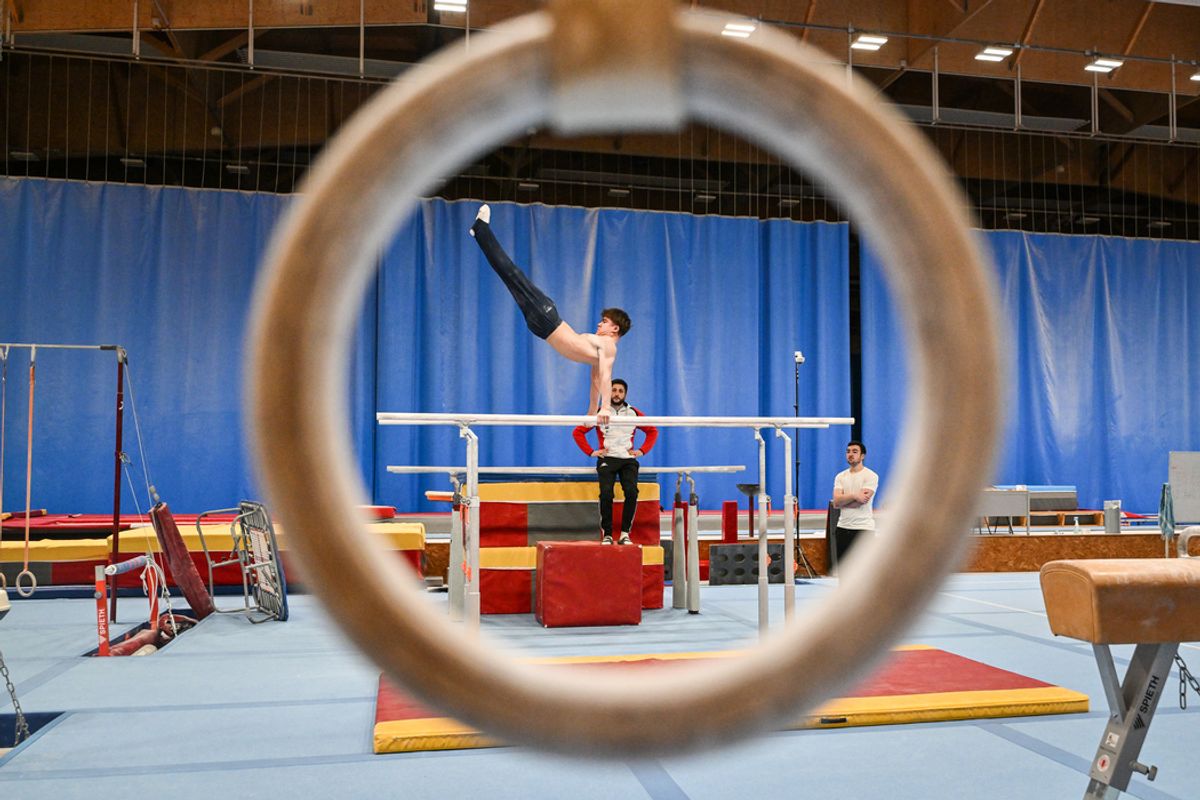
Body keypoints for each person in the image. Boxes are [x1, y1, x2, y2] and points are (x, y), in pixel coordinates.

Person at [469, 204, 630, 424]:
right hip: (544, 325)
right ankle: (481, 230)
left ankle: (481, 232)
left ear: (615, 329)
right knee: (510, 275)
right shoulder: (601, 349)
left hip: (546, 321)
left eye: (604, 322)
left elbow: (601, 379)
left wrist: (601, 410)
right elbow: (597, 379)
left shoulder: (609, 346)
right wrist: (596, 410)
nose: (599, 325)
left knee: (511, 275)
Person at [573, 379, 658, 545]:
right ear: (607, 393)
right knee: (606, 493)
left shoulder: (634, 413)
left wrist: (641, 451)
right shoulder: (600, 413)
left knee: (632, 492)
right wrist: (591, 452)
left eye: (620, 391)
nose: (617, 394)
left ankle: (625, 533)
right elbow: (578, 432)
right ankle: (608, 534)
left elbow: (652, 430)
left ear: (625, 394)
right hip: (608, 458)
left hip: (628, 460)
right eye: (613, 390)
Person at [831, 440, 879, 567]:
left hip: (863, 529)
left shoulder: (871, 476)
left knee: (864, 571)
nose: (850, 454)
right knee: (844, 571)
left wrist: (844, 500)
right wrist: (854, 495)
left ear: (862, 456)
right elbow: (836, 503)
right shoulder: (840, 477)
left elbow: (860, 503)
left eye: (854, 452)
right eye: (848, 452)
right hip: (843, 528)